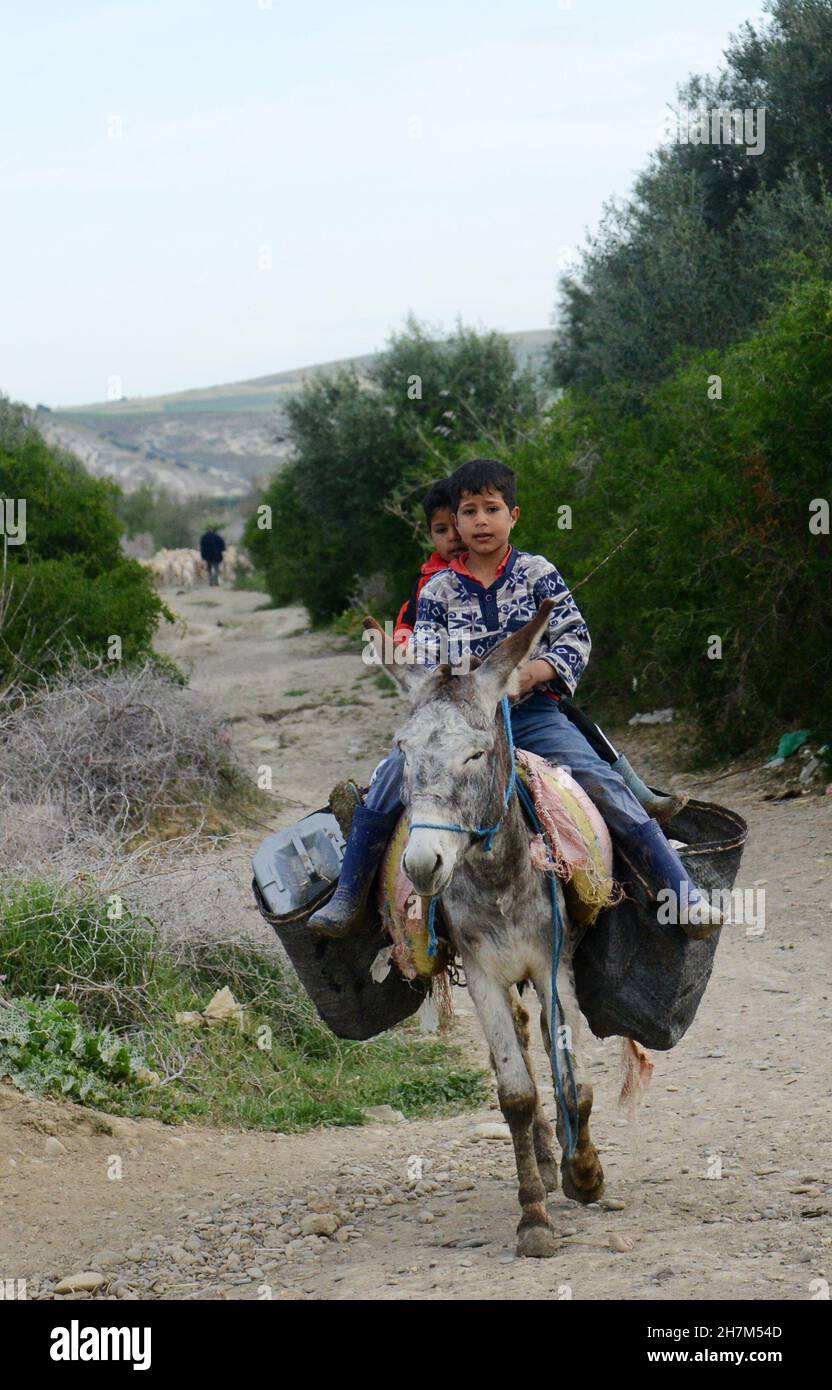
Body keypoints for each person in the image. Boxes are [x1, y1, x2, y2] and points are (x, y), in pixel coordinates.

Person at [309, 457, 720, 939]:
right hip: (458, 723)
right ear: (457, 522)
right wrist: (431, 675)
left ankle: (681, 892)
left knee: (600, 781)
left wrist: (531, 674)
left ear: (514, 515)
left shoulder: (537, 573)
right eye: (469, 512)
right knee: (388, 782)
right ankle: (349, 896)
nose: (481, 521)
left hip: (533, 716)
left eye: (492, 508)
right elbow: (423, 651)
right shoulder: (438, 590)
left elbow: (575, 638)